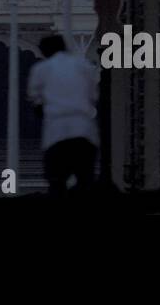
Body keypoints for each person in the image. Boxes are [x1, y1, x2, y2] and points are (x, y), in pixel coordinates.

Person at [26, 34, 100, 198]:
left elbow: (35, 100)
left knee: (56, 182)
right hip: (84, 130)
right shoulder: (84, 66)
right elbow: (94, 96)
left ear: (44, 51)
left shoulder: (41, 69)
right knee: (85, 180)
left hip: (56, 132)